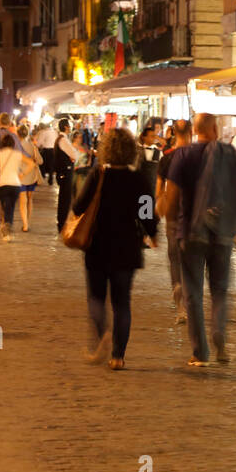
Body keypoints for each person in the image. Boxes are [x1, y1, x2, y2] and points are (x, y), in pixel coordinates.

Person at [163, 113, 236, 366]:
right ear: (214, 128)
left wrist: (170, 221)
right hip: (222, 232)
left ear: (196, 130)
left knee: (193, 293)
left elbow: (172, 196)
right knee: (220, 291)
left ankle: (200, 351)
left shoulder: (183, 155)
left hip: (191, 231)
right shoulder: (231, 155)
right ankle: (219, 331)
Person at [70, 126, 159, 370]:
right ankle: (118, 356)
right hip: (126, 247)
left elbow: (78, 207)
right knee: (122, 302)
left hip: (97, 245)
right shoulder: (138, 178)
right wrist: (152, 234)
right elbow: (146, 213)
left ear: (106, 150)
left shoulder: (98, 175)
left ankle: (102, 336)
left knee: (96, 297)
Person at [155, 118, 192, 323]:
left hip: (172, 212)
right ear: (190, 132)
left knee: (174, 257)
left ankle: (180, 301)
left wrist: (155, 210)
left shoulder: (166, 158)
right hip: (192, 214)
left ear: (173, 133)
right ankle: (188, 296)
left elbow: (158, 189)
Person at [0, 133, 23, 241]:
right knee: (11, 208)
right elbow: (32, 164)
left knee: (6, 208)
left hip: (4, 183)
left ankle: (7, 232)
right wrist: (23, 174)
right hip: (16, 184)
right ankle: (8, 230)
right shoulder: (18, 154)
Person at [16, 124, 43, 232]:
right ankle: (28, 221)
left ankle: (25, 224)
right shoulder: (32, 146)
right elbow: (40, 161)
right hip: (31, 176)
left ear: (18, 134)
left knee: (23, 200)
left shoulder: (16, 146)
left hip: (21, 175)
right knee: (29, 199)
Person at [35, 119, 59, 185]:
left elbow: (39, 142)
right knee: (51, 165)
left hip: (46, 150)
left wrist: (37, 145)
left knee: (42, 163)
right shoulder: (54, 132)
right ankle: (50, 179)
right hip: (53, 150)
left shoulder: (44, 132)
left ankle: (42, 176)